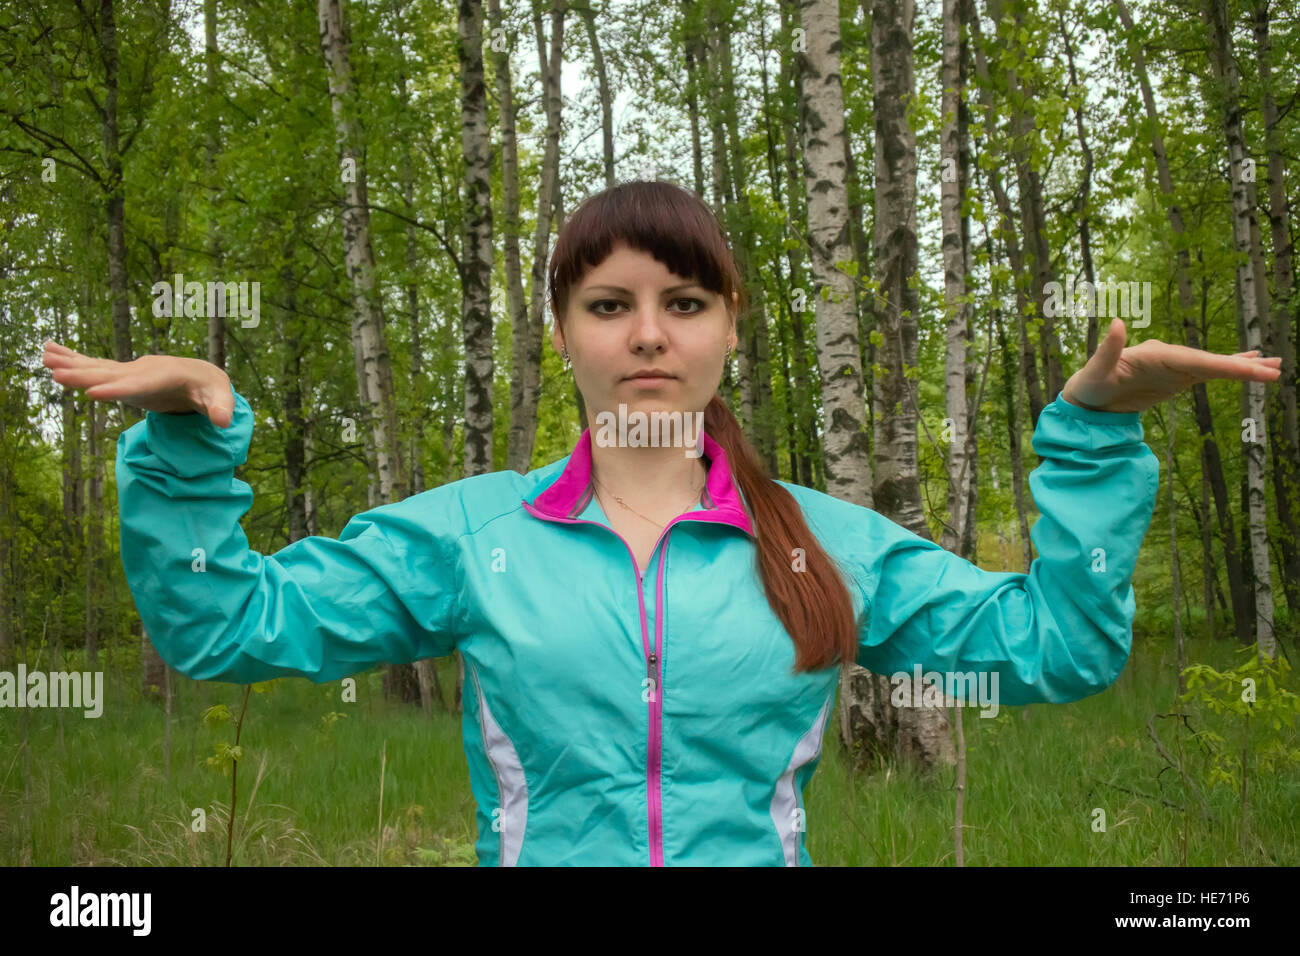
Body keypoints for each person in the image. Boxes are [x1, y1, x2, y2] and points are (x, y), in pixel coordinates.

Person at [43, 180, 1281, 867]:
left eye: (684, 300)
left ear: (730, 325)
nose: (648, 333)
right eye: (609, 302)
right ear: (565, 331)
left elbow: (1058, 645)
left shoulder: (827, 549)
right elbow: (221, 624)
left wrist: (1093, 437)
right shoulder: (472, 536)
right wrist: (193, 442)